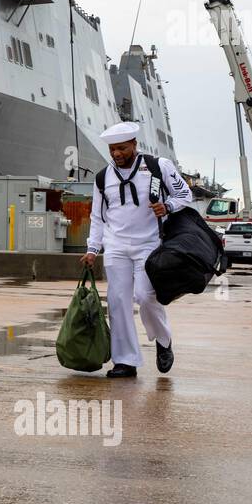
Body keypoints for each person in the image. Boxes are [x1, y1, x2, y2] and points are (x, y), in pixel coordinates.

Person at [81, 122, 193, 378]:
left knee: (145, 296)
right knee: (117, 301)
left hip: (149, 244)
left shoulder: (157, 166)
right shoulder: (102, 177)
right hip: (116, 245)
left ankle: (163, 341)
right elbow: (98, 217)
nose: (117, 154)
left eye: (122, 148)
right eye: (112, 150)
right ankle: (125, 360)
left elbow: (184, 194)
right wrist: (92, 248)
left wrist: (168, 207)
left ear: (134, 145)